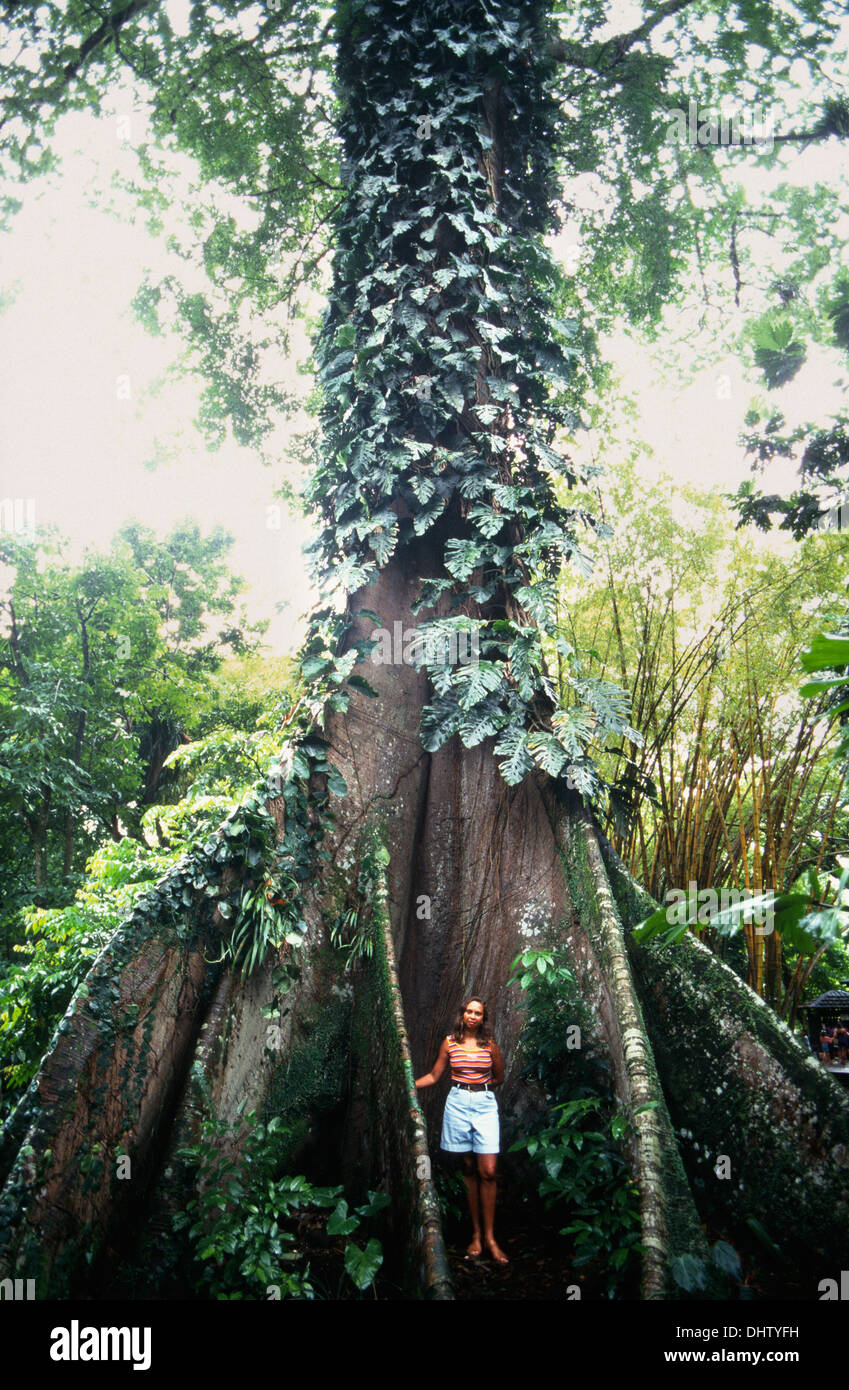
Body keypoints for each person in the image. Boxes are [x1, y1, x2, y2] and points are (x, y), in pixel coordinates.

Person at [415, 996, 508, 1264]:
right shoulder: (449, 1042)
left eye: (478, 1013)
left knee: (488, 1171)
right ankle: (477, 1235)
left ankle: (491, 1238)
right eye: (469, 1011)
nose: (472, 1016)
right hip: (457, 1103)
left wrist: (479, 1088)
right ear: (462, 1014)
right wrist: (411, 1084)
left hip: (484, 1104)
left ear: (483, 1018)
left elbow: (500, 1076)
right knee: (468, 1167)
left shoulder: (489, 1045)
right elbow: (434, 1076)